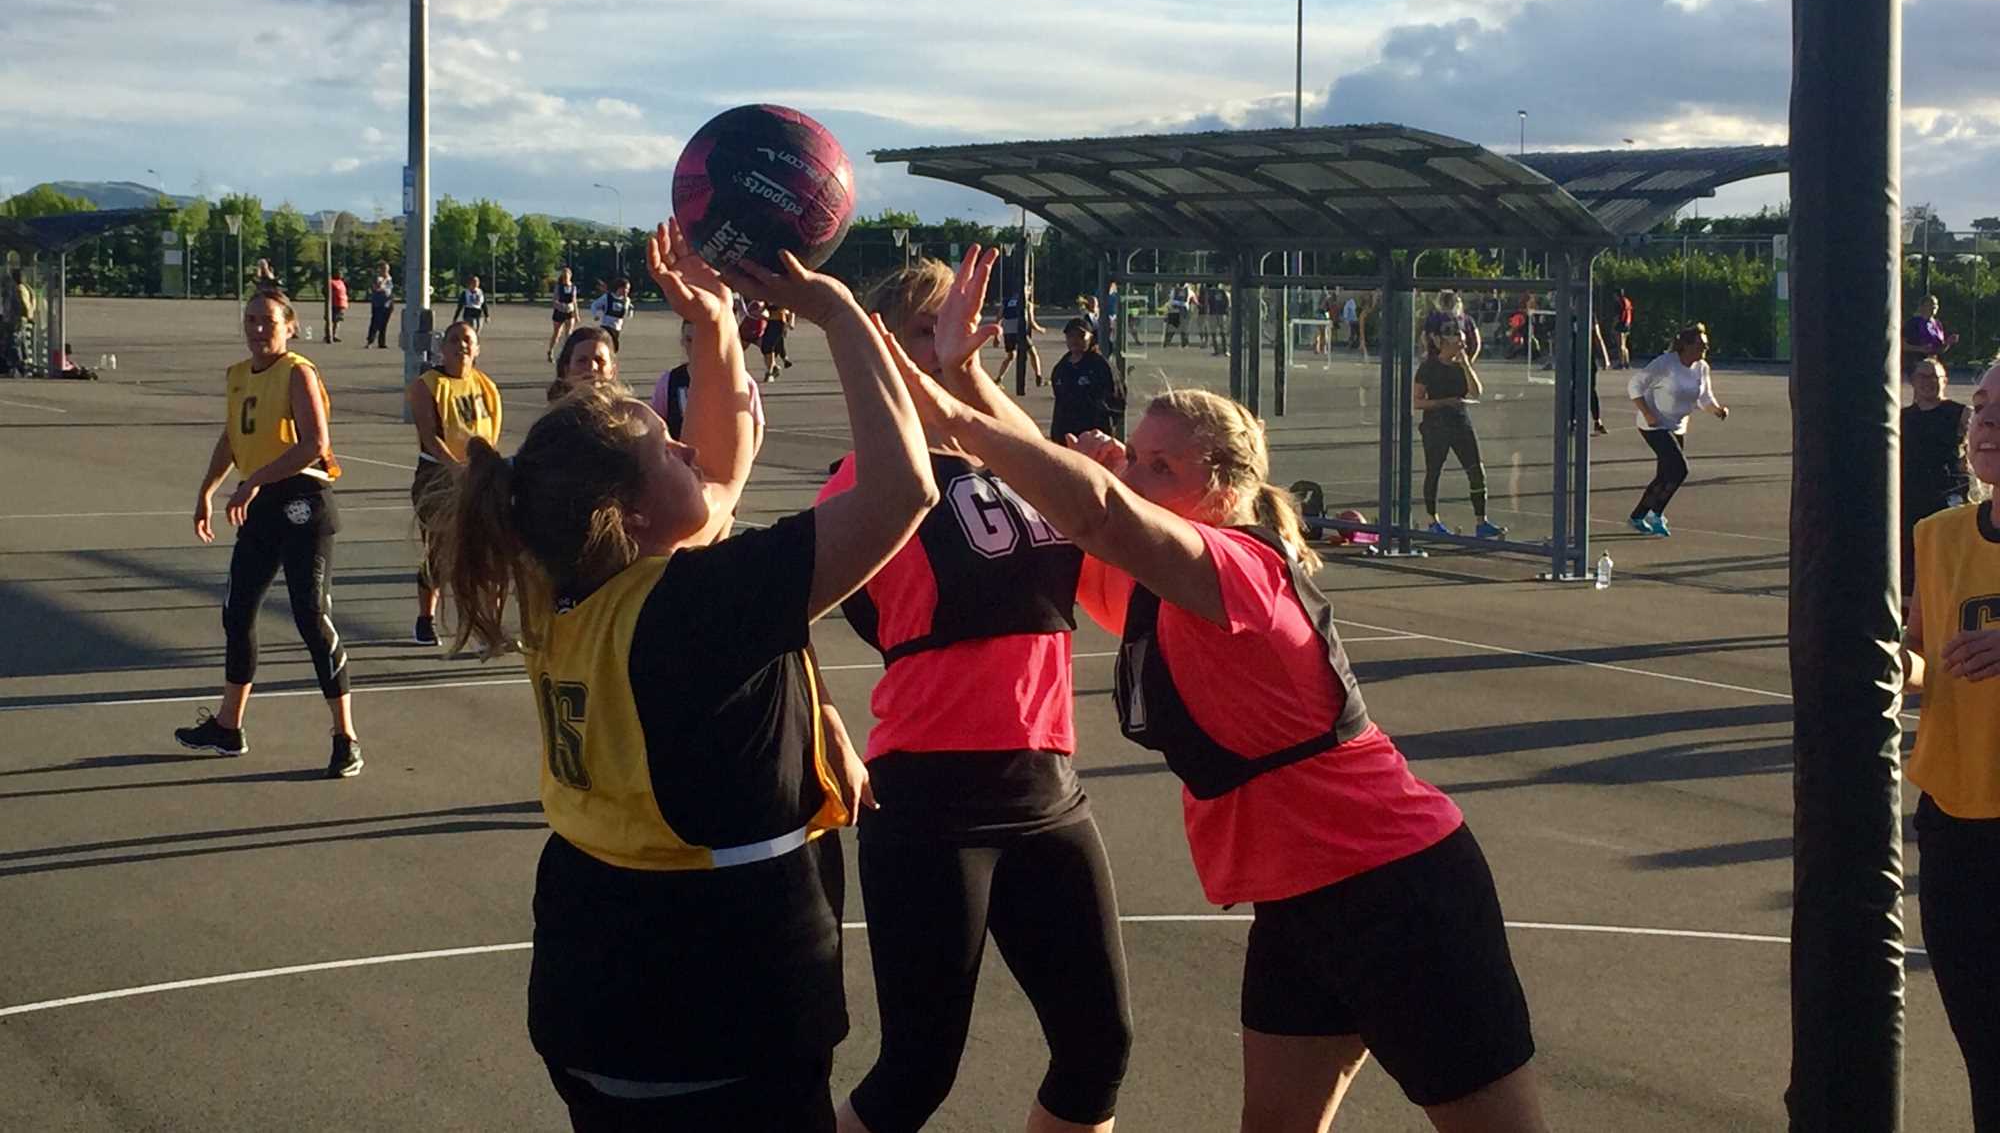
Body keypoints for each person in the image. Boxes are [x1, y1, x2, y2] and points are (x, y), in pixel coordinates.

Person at [881, 245, 1547, 1133]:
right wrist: (965, 376)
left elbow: (1094, 510)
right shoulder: (1157, 587)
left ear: (1224, 489)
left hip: (1396, 884)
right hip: (1300, 899)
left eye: (1161, 465)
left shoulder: (1239, 569)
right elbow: (1067, 491)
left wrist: (965, 416)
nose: (1134, 470)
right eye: (1135, 454)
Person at [434, 219, 936, 1133]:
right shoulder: (697, 604)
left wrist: (715, 329)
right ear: (627, 511)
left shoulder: (567, 582)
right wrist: (836, 313)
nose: (685, 452)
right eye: (664, 447)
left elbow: (721, 474)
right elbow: (903, 487)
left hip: (598, 985)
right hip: (717, 1004)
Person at [827, 257, 1132, 1133]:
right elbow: (811, 611)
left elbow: (1115, 545)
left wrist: (1107, 476)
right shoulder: (869, 480)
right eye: (923, 330)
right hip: (932, 800)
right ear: (880, 349)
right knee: (915, 1074)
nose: (945, 343)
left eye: (954, 326)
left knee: (1097, 1049)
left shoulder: (1018, 459)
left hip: (1047, 790)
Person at [178, 288, 361, 779]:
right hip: (259, 503)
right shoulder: (238, 376)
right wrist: (208, 490)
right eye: (251, 320)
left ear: (290, 327)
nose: (259, 329)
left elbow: (313, 444)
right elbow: (233, 437)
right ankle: (228, 725)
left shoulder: (297, 372)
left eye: (269, 321)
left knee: (310, 615)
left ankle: (345, 737)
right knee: (238, 613)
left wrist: (253, 482)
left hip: (303, 501)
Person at [1900, 357, 2000, 1131]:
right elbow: (1921, 657)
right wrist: (1882, 667)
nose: (1988, 422)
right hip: (1958, 821)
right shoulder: (1937, 537)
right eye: (1984, 407)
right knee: (1986, 1052)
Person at [406, 319, 501, 648]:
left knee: (483, 554)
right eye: (454, 340)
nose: (462, 346)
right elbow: (430, 435)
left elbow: (491, 432)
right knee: (441, 551)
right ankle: (425, 618)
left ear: (477, 349)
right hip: (438, 477)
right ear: (442, 348)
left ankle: (483, 626)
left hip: (478, 476)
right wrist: (454, 467)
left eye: (468, 341)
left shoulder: (485, 385)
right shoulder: (427, 385)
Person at [1626, 322, 1729, 536]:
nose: (1705, 349)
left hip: (1677, 426)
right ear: (1686, 346)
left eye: (1706, 345)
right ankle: (1656, 513)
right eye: (1701, 345)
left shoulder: (1702, 367)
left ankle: (1637, 516)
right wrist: (1647, 413)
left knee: (1665, 475)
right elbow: (1634, 386)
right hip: (1654, 425)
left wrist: (1716, 410)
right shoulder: (1665, 364)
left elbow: (1704, 397)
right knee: (1680, 469)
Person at [1415, 330, 1505, 540]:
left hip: (1460, 423)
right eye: (1459, 343)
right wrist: (1444, 402)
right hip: (1436, 425)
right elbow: (1417, 401)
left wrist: (1466, 365)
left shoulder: (1460, 367)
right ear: (1444, 344)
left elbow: (1476, 392)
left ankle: (1481, 521)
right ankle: (1432, 520)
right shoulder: (1428, 367)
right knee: (1434, 470)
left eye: (1464, 343)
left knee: (1476, 469)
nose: (1463, 347)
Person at [1903, 356, 1972, 612]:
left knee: (1947, 558)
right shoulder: (1901, 419)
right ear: (1912, 381)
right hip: (1910, 500)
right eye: (1923, 376)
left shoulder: (1961, 414)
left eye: (1935, 377)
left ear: (1945, 381)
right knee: (1911, 562)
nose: (1929, 383)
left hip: (1947, 498)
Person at [655, 318, 766, 448]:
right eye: (689, 340)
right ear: (682, 341)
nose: (695, 347)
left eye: (701, 340)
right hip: (681, 464)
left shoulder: (740, 380)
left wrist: (745, 462)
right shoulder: (669, 381)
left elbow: (756, 426)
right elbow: (656, 426)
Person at [1049, 314, 1123, 444]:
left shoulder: (1100, 366)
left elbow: (1117, 398)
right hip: (1066, 436)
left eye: (1080, 336)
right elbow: (1059, 402)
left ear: (1091, 338)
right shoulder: (1061, 368)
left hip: (1094, 437)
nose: (1075, 340)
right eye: (1071, 336)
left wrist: (1104, 423)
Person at [995, 277, 1045, 386]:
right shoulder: (1027, 303)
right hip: (1019, 329)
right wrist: (1041, 329)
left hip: (1008, 330)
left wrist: (996, 335)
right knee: (1032, 353)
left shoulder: (1007, 301)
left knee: (1010, 356)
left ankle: (999, 378)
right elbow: (1031, 322)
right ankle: (1038, 375)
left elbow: (999, 317)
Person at [549, 326, 618, 403]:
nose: (592, 367)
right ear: (566, 370)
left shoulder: (627, 413)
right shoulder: (556, 414)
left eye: (599, 360)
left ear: (613, 371)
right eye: (582, 361)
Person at [1904, 295, 1960, 377]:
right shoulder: (1913, 323)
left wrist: (1948, 343)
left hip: (1934, 365)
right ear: (1922, 307)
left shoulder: (1937, 324)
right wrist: (1920, 349)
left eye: (1936, 304)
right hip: (1917, 364)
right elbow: (1902, 345)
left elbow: (1939, 350)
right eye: (1931, 304)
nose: (1934, 307)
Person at [1423, 290, 1482, 363]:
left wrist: (1469, 362)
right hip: (1439, 361)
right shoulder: (1434, 318)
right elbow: (1427, 338)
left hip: (1459, 360)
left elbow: (1476, 343)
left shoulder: (1467, 320)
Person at [2, 265, 34, 377]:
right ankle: (22, 364)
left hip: (16, 320)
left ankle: (19, 366)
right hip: (17, 319)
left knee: (14, 342)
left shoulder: (19, 289)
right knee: (21, 341)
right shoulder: (24, 288)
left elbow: (24, 305)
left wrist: (27, 315)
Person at [592, 274, 634, 352]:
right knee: (608, 345)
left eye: (628, 289)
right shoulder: (607, 297)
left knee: (614, 347)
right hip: (606, 325)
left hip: (617, 328)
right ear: (619, 288)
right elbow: (594, 305)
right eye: (625, 288)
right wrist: (596, 315)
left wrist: (629, 313)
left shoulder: (627, 300)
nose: (627, 291)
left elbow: (629, 312)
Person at [548, 266, 580, 363]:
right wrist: (560, 305)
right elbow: (554, 300)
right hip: (559, 311)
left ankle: (566, 354)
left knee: (569, 334)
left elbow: (574, 301)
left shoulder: (573, 287)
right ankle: (550, 351)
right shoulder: (559, 287)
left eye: (567, 276)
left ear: (570, 276)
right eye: (564, 276)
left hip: (569, 311)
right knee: (557, 333)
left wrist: (576, 314)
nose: (566, 278)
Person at [761, 305, 794, 383]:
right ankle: (773, 369)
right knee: (765, 348)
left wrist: (791, 321)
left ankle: (770, 373)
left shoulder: (780, 296)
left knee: (769, 347)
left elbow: (790, 309)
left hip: (779, 323)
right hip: (769, 323)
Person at [367, 263, 395, 349]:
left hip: (388, 303)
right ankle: (370, 341)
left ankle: (382, 342)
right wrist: (384, 279)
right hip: (378, 303)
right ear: (380, 269)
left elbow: (390, 289)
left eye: (387, 269)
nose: (386, 271)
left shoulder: (390, 278)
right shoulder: (377, 278)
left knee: (384, 324)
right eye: (384, 269)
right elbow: (376, 288)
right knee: (375, 322)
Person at [1164, 282, 1191, 348]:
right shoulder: (1185, 290)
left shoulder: (1180, 290)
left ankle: (1183, 343)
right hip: (1179, 311)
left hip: (1178, 311)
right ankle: (1168, 342)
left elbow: (1171, 301)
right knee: (1176, 328)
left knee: (1178, 328)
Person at [1612, 288, 1634, 367]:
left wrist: (1613, 326)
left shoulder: (1619, 303)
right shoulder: (1627, 301)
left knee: (1620, 345)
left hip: (1621, 325)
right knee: (1624, 345)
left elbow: (1617, 316)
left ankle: (1621, 363)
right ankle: (1627, 362)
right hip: (1627, 324)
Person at [327, 272, 349, 342]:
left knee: (337, 321)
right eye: (338, 273)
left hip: (341, 304)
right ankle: (329, 335)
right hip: (334, 304)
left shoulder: (341, 282)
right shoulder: (331, 282)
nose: (340, 275)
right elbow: (325, 291)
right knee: (331, 320)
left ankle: (334, 335)